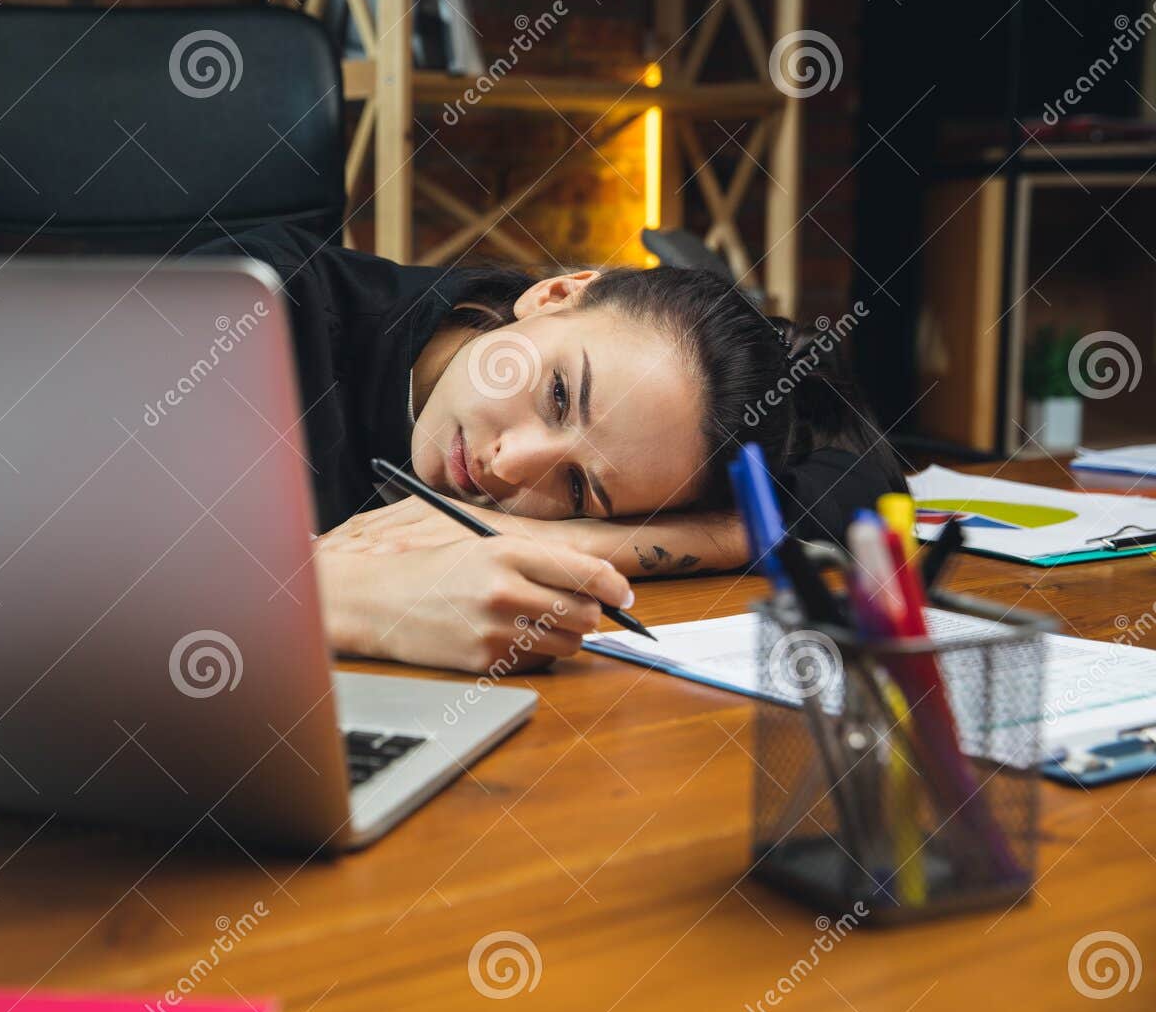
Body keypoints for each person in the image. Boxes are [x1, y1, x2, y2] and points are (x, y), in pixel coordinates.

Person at [189, 223, 903, 674]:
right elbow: (89, 563)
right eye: (559, 394)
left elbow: (870, 483)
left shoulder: (563, 493)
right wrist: (353, 597)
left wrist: (544, 534)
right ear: (557, 292)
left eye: (576, 488)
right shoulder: (254, 309)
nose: (510, 464)